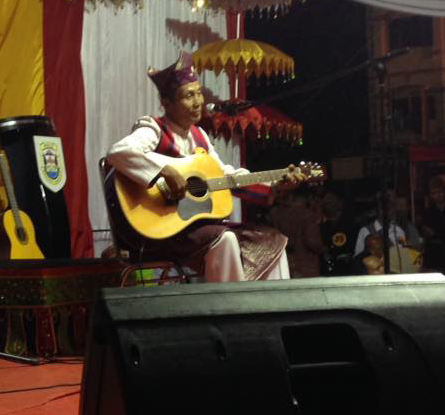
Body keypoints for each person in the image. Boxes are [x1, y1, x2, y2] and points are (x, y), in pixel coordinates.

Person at [106, 53, 304, 282]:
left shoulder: (199, 136)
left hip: (195, 231)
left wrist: (276, 183)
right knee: (225, 238)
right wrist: (164, 171)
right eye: (189, 96)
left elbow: (224, 175)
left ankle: (272, 312)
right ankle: (229, 312)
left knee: (272, 240)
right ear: (166, 103)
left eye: (199, 93)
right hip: (158, 234)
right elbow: (118, 152)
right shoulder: (153, 129)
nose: (198, 102)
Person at [269, 189, 325, 278]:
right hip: (305, 264)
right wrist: (322, 249)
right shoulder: (307, 215)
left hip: (283, 262)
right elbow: (311, 241)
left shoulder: (275, 212)